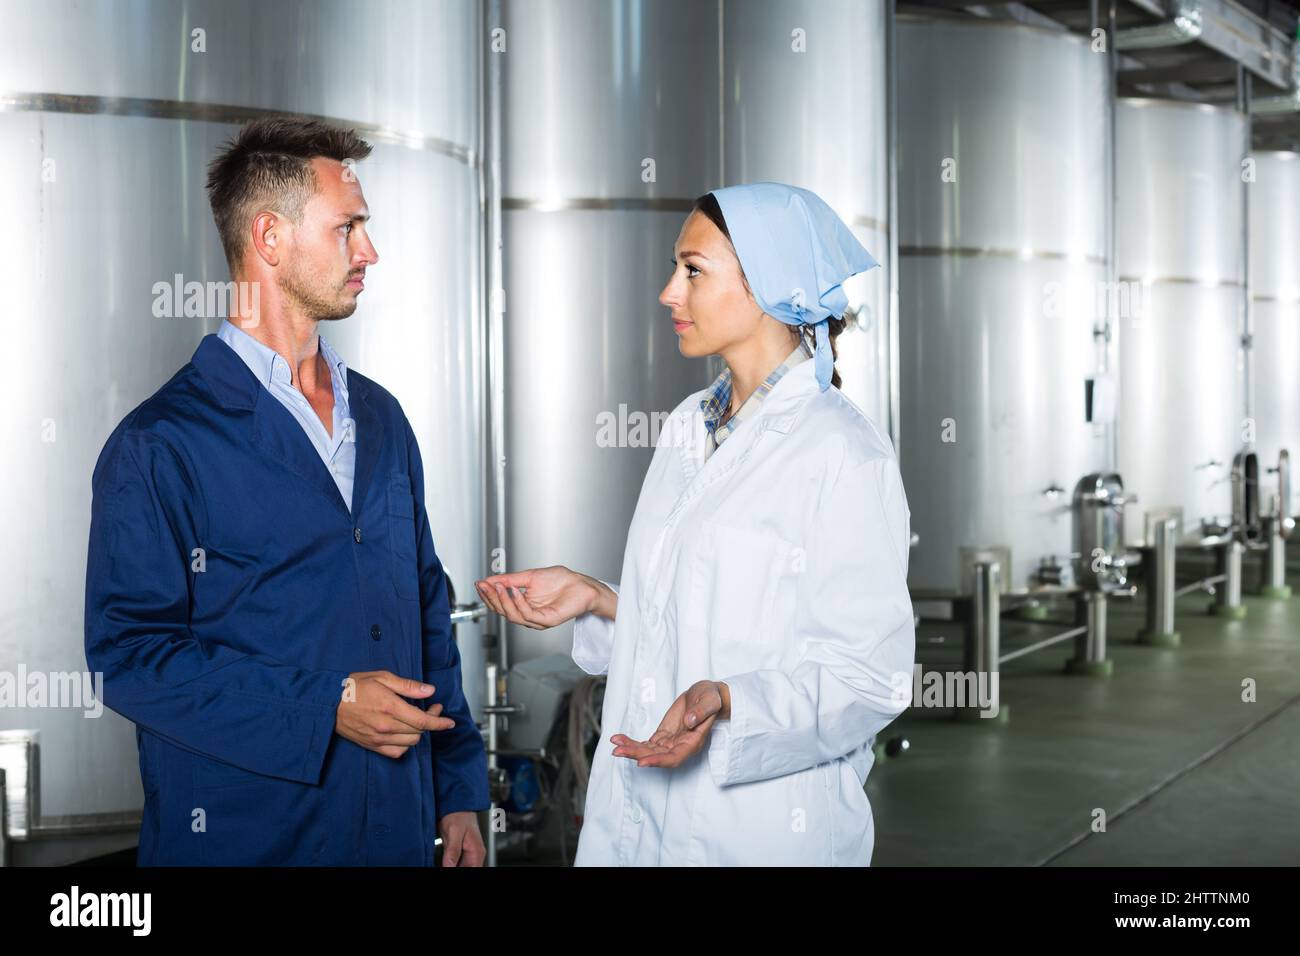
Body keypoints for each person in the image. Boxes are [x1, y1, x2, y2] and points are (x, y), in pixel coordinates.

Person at [84, 117, 488, 866]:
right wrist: (325, 705)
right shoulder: (161, 445)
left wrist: (458, 785)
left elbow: (426, 607)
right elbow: (131, 657)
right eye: (349, 227)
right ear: (270, 238)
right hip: (250, 841)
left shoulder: (382, 418)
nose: (370, 250)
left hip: (397, 832)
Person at [477, 182, 915, 866]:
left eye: (692, 271)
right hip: (639, 811)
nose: (667, 293)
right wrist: (597, 598)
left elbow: (869, 676)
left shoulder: (842, 453)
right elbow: (704, 616)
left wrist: (731, 701)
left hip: (761, 832)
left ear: (769, 283)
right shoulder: (688, 426)